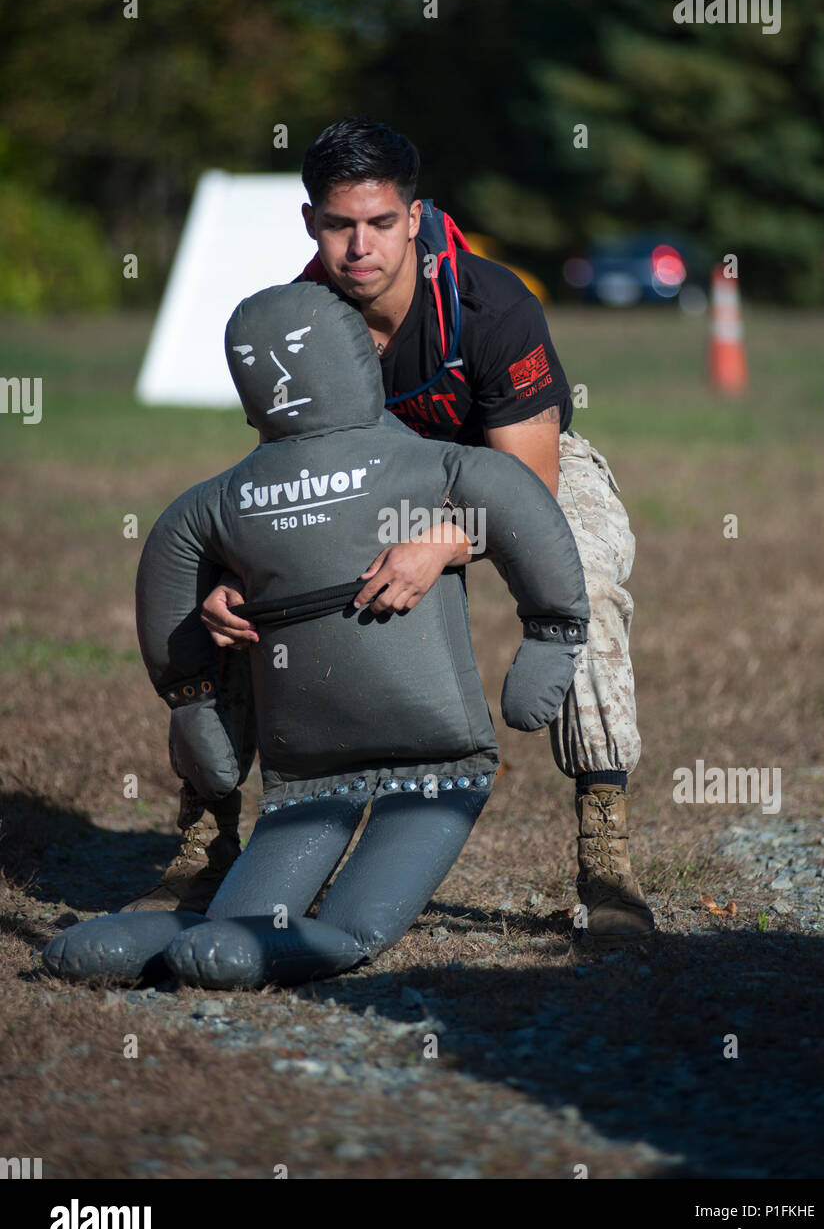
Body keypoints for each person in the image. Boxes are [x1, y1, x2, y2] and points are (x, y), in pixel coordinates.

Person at [123, 115, 650, 939]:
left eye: (378, 222)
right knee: (228, 597)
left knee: (582, 560)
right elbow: (279, 479)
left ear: (412, 217)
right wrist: (241, 571)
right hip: (365, 488)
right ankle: (206, 842)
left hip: (510, 467)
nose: (358, 246)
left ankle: (604, 854)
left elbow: (528, 486)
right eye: (337, 225)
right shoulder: (294, 321)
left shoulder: (491, 303)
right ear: (310, 223)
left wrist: (441, 539)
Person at [45, 280, 588, 987]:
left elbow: (522, 502)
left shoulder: (402, 457)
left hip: (426, 759)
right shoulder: (244, 498)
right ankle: (203, 931)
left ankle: (272, 939)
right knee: (242, 917)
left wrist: (548, 632)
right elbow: (173, 574)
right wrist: (193, 697)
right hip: (314, 771)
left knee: (350, 919)